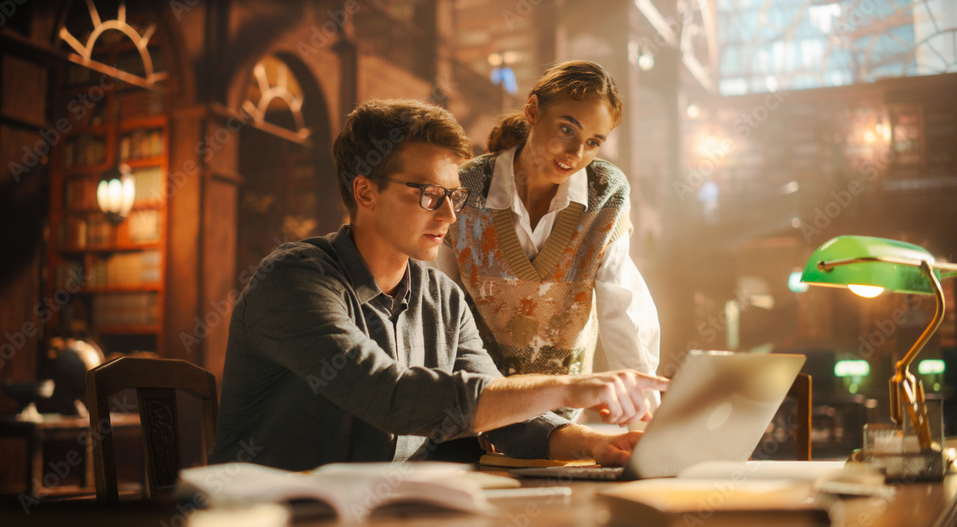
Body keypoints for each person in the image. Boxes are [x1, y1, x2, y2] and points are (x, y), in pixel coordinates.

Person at [208, 99, 668, 472]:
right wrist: (568, 388)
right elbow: (387, 396)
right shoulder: (294, 279)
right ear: (366, 192)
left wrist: (597, 444)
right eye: (429, 194)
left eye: (454, 196)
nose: (449, 215)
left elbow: (504, 419)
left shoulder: (443, 299)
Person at [433, 61, 660, 419]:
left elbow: (623, 305)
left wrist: (641, 409)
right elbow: (442, 302)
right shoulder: (467, 188)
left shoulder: (606, 192)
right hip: (481, 408)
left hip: (566, 419)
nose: (576, 154)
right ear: (533, 110)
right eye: (567, 129)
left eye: (593, 142)